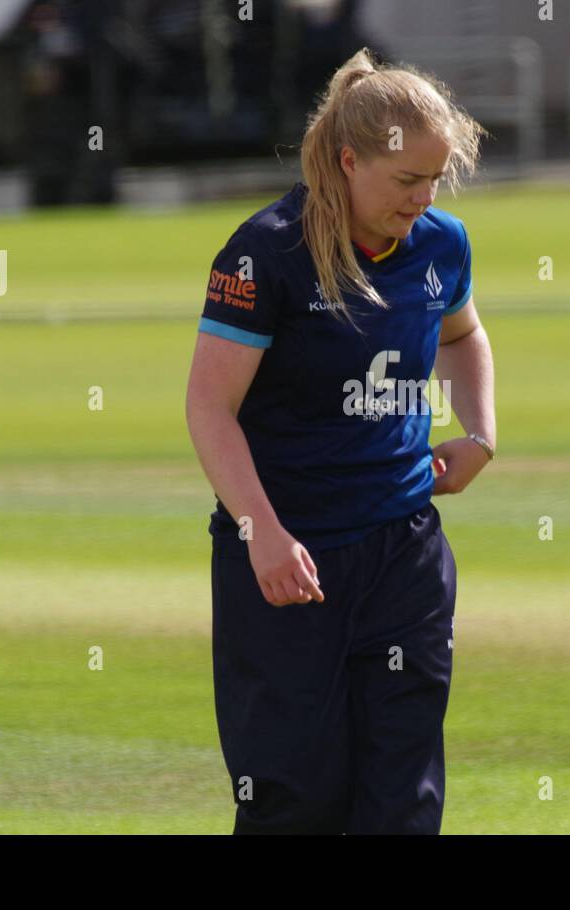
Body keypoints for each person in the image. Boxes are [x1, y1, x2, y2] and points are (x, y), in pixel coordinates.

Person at [185, 47, 496, 834]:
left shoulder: (440, 244)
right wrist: (263, 535)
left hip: (404, 553)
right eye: (405, 181)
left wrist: (480, 433)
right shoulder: (267, 252)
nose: (423, 200)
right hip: (290, 558)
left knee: (403, 796)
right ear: (350, 160)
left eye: (436, 180)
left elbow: (463, 335)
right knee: (293, 799)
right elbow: (208, 408)